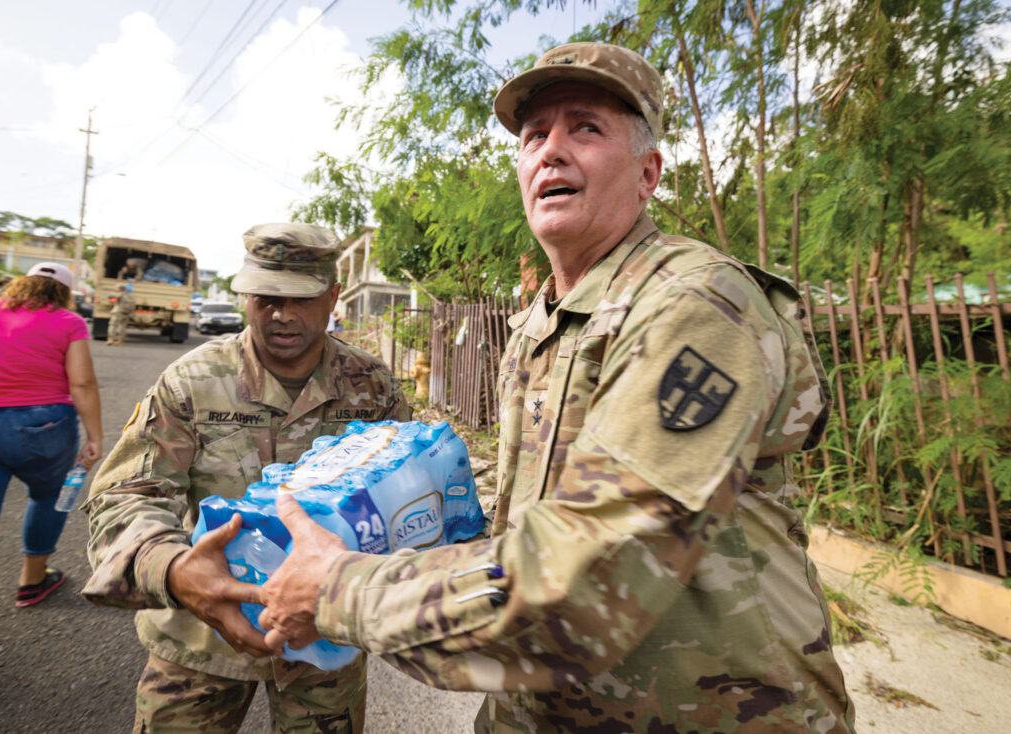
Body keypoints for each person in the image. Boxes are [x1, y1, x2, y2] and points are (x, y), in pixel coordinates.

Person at [258, 43, 856, 732]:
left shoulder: (695, 304)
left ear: (647, 173)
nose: (551, 150)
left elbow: (586, 583)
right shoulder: (542, 321)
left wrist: (338, 590)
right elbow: (533, 523)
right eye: (535, 135)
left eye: (586, 127)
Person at [82, 222, 411, 734]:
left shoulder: (373, 388)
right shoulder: (193, 381)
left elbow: (407, 495)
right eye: (265, 297)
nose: (281, 314)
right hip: (201, 637)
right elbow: (127, 493)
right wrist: (172, 569)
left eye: (299, 298)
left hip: (323, 641)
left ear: (332, 296)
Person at [0, 261, 103, 605]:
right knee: (49, 498)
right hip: (43, 428)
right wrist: (95, 436)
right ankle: (32, 580)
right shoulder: (68, 321)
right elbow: (82, 382)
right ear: (64, 292)